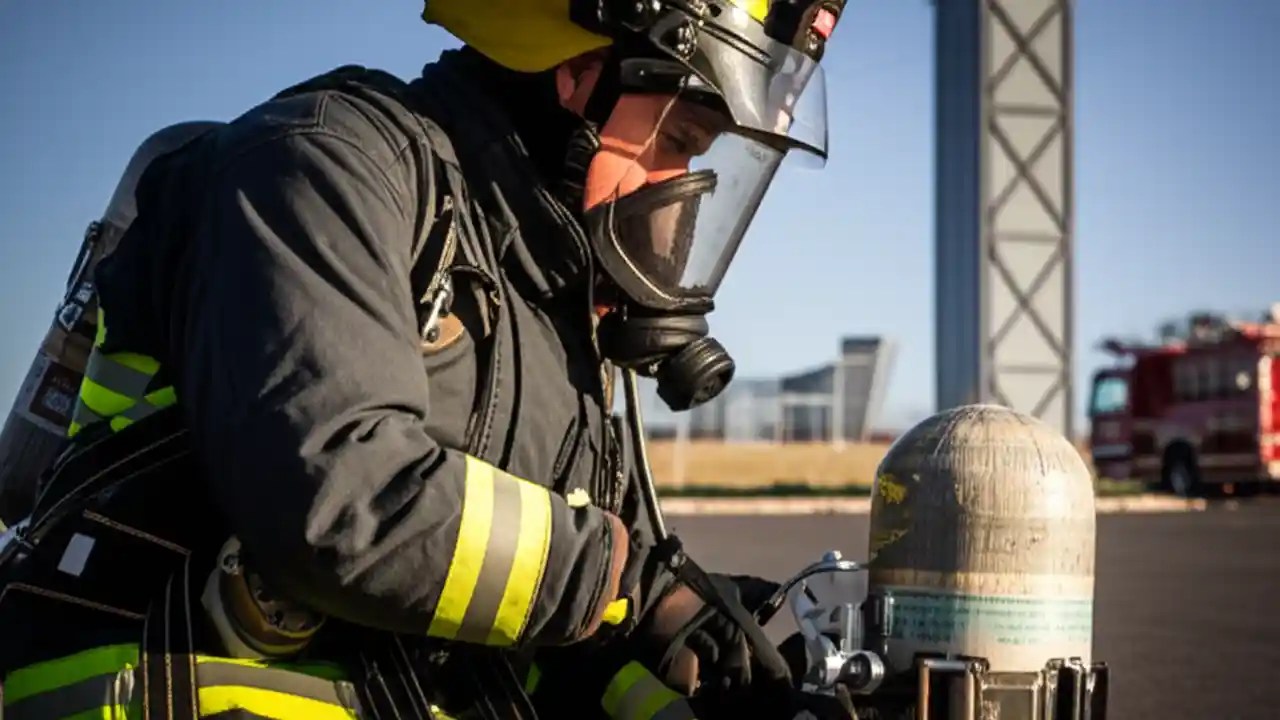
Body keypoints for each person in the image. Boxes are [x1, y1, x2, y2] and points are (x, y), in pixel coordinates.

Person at [0, 1, 853, 718]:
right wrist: (613, 577)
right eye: (680, 142)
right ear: (583, 73)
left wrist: (684, 648)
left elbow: (562, 615)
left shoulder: (547, 310)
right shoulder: (319, 167)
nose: (681, 202)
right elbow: (336, 497)